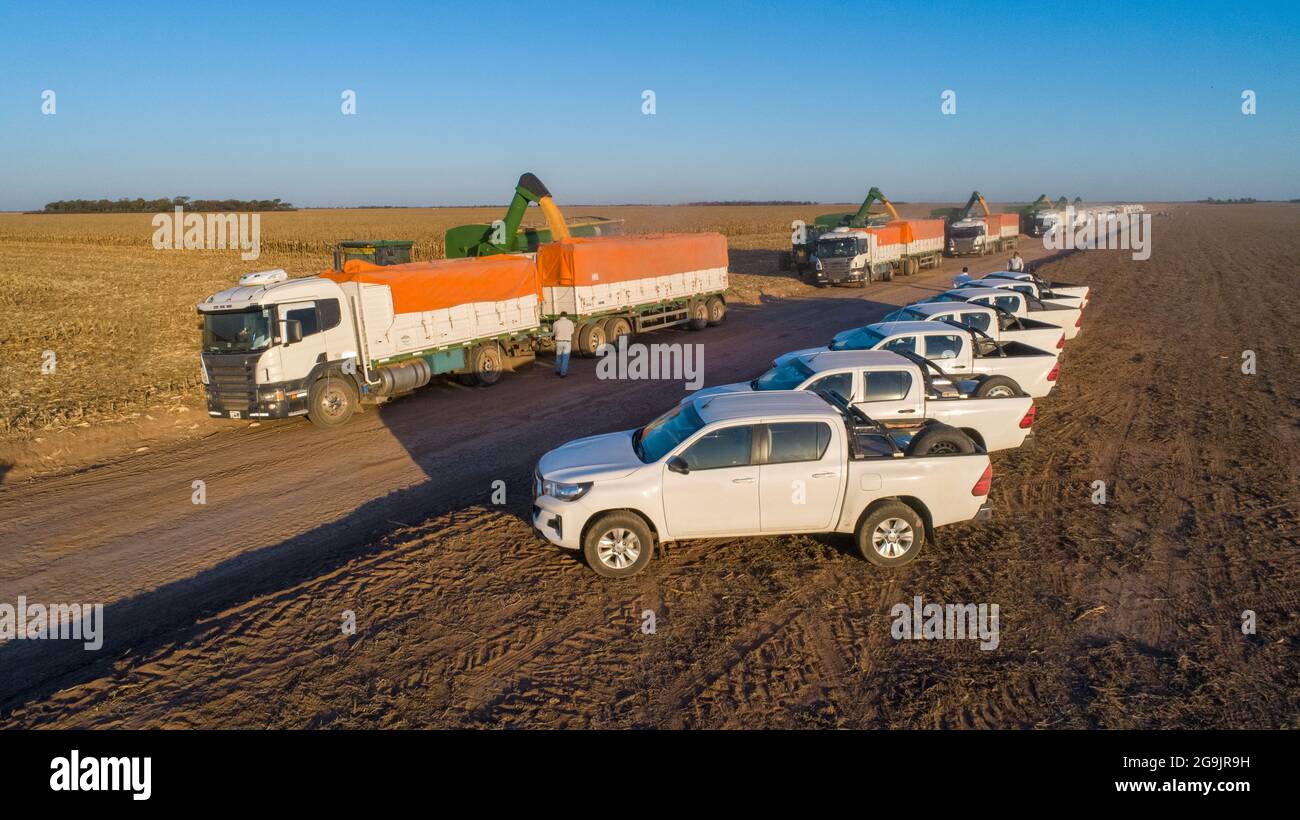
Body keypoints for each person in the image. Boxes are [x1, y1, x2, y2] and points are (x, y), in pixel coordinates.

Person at [553, 312, 574, 377]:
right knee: (565, 357)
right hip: (567, 342)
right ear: (566, 316)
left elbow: (554, 332)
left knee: (558, 356)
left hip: (558, 341)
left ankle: (557, 370)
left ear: (560, 316)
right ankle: (563, 373)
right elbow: (572, 331)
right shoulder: (570, 322)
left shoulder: (555, 323)